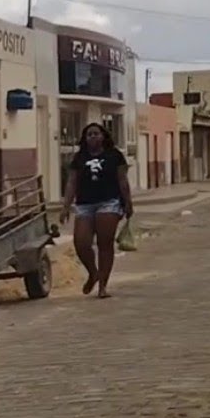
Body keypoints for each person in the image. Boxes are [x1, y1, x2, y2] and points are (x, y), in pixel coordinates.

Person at [60, 122, 134, 298]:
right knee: (81, 243)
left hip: (109, 202)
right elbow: (72, 182)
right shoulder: (79, 158)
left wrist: (128, 202)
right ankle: (93, 272)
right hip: (85, 204)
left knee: (104, 244)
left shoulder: (114, 155)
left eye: (96, 133)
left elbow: (122, 180)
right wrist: (65, 206)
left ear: (103, 136)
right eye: (89, 135)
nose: (92, 137)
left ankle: (103, 286)